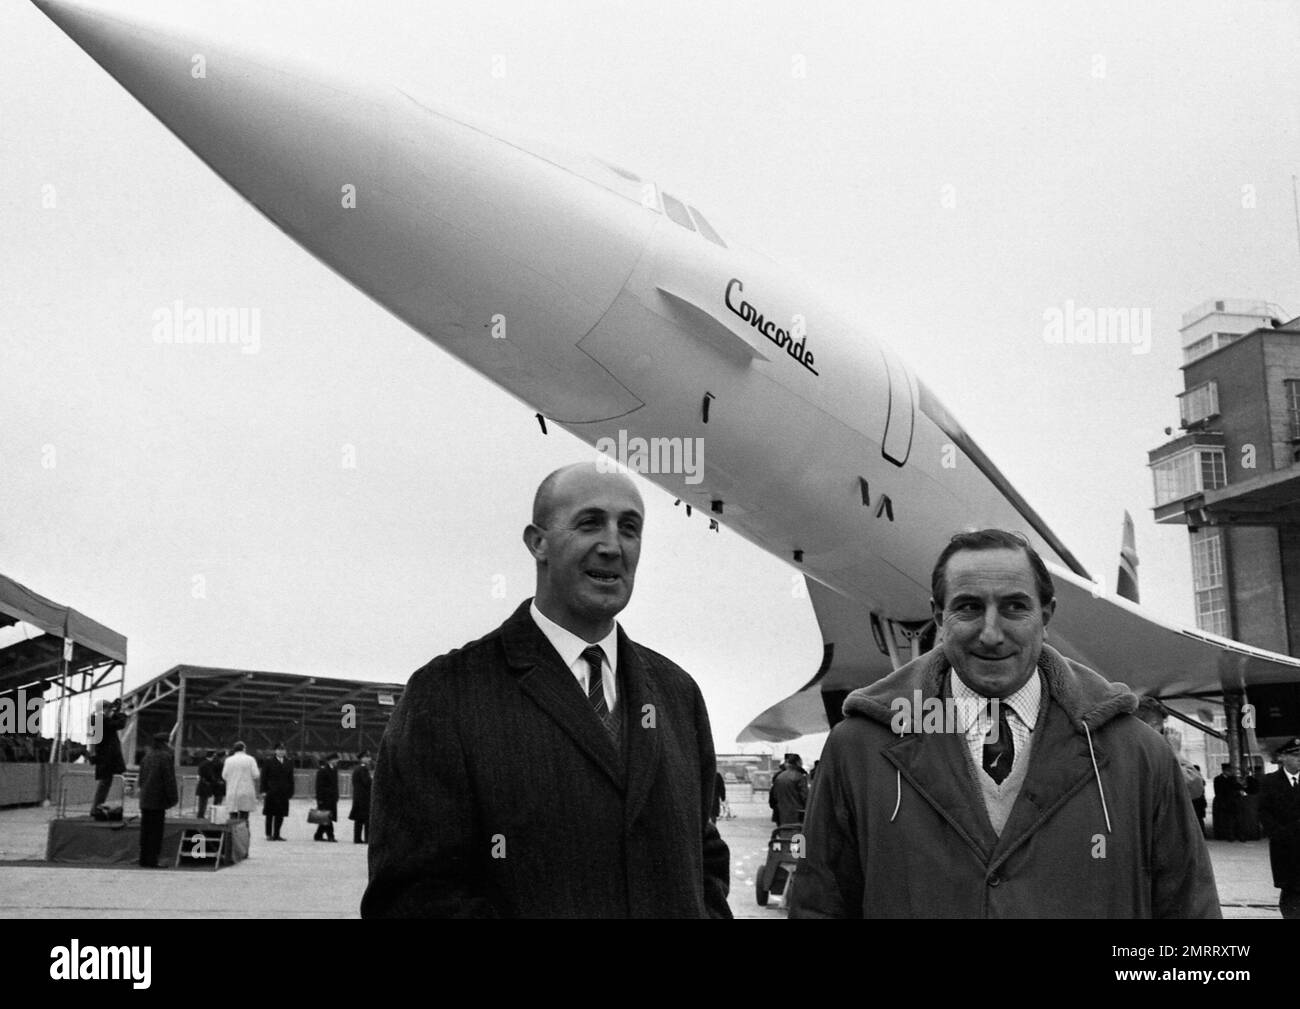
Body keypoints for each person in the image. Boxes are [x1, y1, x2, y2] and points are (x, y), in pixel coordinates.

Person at [362, 462, 731, 918]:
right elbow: (412, 896)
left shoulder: (678, 693)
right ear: (538, 543)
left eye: (629, 529)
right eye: (590, 523)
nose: (613, 546)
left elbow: (706, 858)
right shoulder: (447, 694)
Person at [791, 528, 1220, 918]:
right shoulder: (859, 749)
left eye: (1015, 607)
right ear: (938, 617)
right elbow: (818, 906)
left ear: (1046, 615)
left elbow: (1190, 915)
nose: (992, 634)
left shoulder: (1138, 755)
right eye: (969, 608)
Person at [1259, 737, 1300, 919]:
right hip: (1285, 848)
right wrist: (1280, 835)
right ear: (1282, 757)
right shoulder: (1269, 782)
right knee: (1290, 890)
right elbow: (1264, 813)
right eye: (1296, 755)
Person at [137, 732, 178, 868]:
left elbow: (141, 779)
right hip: (157, 800)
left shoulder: (147, 757)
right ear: (165, 743)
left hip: (145, 799)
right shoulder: (165, 757)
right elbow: (169, 779)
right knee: (156, 832)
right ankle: (153, 860)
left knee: (145, 831)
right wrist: (173, 798)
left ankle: (143, 859)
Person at [90, 700, 127, 810]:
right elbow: (119, 724)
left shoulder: (99, 720)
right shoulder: (101, 720)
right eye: (109, 709)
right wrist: (120, 713)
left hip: (104, 757)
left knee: (105, 784)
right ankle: (96, 808)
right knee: (104, 784)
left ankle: (97, 807)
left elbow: (112, 724)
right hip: (106, 758)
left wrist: (115, 711)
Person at [221, 741, 260, 840]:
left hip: (232, 791)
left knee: (232, 815)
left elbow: (224, 775)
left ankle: (231, 838)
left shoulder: (228, 760)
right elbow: (256, 774)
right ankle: (244, 838)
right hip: (246, 791)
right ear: (244, 748)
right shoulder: (250, 759)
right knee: (244, 816)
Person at [261, 742, 294, 841]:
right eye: (279, 750)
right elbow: (264, 777)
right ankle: (268, 834)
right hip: (271, 792)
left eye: (283, 750)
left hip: (283, 793)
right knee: (270, 814)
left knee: (280, 814)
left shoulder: (288, 762)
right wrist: (263, 791)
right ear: (275, 751)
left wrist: (291, 791)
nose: (281, 752)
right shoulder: (269, 762)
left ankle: (277, 834)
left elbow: (291, 778)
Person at [770, 753, 809, 825]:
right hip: (797, 814)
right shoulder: (799, 777)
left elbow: (774, 795)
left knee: (784, 833)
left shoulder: (779, 777)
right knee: (797, 835)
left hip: (781, 813)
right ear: (797, 762)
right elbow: (805, 797)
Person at [1212, 764, 1243, 841]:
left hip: (1233, 802)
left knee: (1237, 820)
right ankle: (1229, 836)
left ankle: (1238, 835)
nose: (1231, 772)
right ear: (1225, 770)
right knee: (1227, 820)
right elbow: (1217, 791)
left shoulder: (1233, 779)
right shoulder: (1218, 779)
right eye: (1229, 770)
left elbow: (1238, 787)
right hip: (1224, 802)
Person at [315, 753, 339, 842]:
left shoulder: (335, 769)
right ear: (330, 760)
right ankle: (330, 835)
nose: (337, 761)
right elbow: (319, 787)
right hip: (324, 798)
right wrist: (319, 799)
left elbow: (335, 785)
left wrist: (336, 796)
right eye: (335, 759)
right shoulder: (323, 770)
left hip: (332, 798)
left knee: (325, 817)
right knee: (327, 817)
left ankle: (318, 835)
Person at [350, 751, 373, 844]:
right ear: (362, 758)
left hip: (358, 797)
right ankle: (367, 838)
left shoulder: (357, 768)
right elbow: (366, 782)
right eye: (367, 757)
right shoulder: (363, 769)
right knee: (367, 819)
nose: (369, 759)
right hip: (364, 797)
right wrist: (372, 779)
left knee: (359, 819)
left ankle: (357, 838)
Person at [196, 750, 221, 819]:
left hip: (202, 785)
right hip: (205, 785)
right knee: (203, 802)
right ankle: (200, 816)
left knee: (202, 802)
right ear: (213, 756)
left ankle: (200, 815)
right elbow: (209, 775)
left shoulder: (203, 763)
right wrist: (215, 781)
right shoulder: (208, 764)